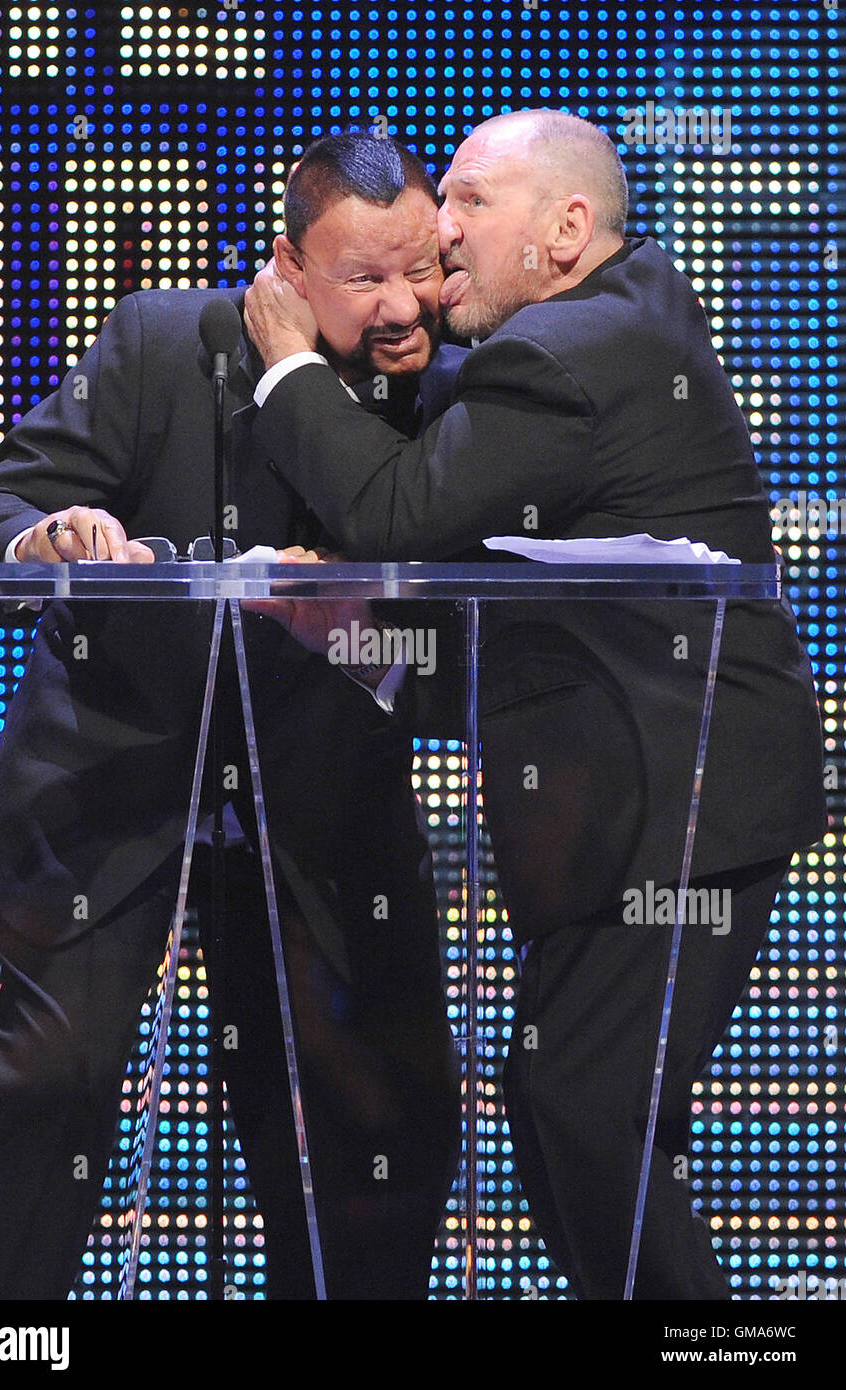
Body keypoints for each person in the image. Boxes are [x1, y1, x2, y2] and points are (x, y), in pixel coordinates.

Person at [242, 109, 828, 1300]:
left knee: (584, 1109)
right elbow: (526, 631)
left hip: (674, 802)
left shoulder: (563, 352)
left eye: (465, 202)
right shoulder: (621, 321)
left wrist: (292, 366)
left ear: (566, 229)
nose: (440, 231)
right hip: (637, 795)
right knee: (566, 1111)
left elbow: (396, 515)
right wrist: (350, 634)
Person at [0, 133, 466, 1301]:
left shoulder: (453, 387)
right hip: (114, 786)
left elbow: (459, 636)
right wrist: (44, 536)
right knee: (48, 1086)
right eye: (364, 278)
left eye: (419, 267)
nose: (403, 305)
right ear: (285, 270)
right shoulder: (167, 342)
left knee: (378, 1109)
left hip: (325, 812)